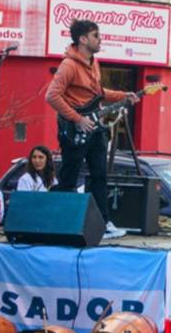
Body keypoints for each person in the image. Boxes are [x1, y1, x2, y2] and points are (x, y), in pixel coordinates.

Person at [46, 19, 139, 240]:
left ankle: (104, 222)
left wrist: (123, 96)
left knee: (99, 175)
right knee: (69, 178)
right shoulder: (68, 66)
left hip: (95, 128)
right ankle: (57, 221)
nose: (100, 39)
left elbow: (98, 93)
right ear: (83, 39)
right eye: (96, 35)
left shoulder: (93, 63)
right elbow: (51, 96)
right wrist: (77, 119)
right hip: (75, 129)